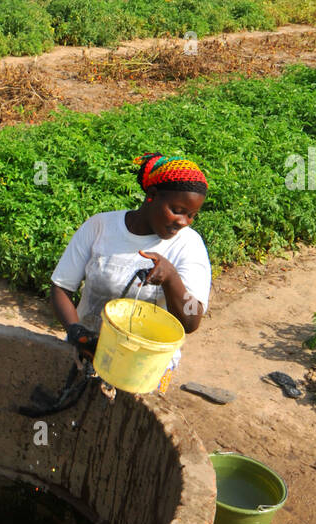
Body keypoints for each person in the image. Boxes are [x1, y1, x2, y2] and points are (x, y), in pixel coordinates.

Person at [49, 153, 211, 394]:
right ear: (152, 195)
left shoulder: (188, 246)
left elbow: (191, 321)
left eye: (191, 215)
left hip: (145, 370)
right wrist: (77, 332)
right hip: (86, 351)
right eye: (177, 210)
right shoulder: (100, 227)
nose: (183, 222)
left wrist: (170, 277)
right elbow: (61, 287)